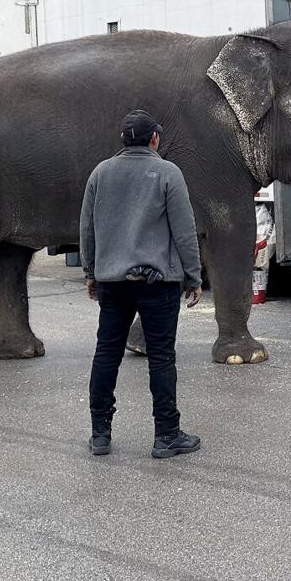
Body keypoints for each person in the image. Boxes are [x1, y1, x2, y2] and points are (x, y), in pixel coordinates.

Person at [80, 109, 204, 460]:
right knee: (162, 358)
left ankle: (100, 434)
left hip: (112, 282)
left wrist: (91, 271)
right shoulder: (167, 173)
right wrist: (193, 277)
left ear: (123, 140)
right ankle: (166, 435)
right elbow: (184, 230)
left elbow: (86, 228)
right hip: (157, 282)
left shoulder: (100, 173)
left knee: (106, 353)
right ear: (154, 139)